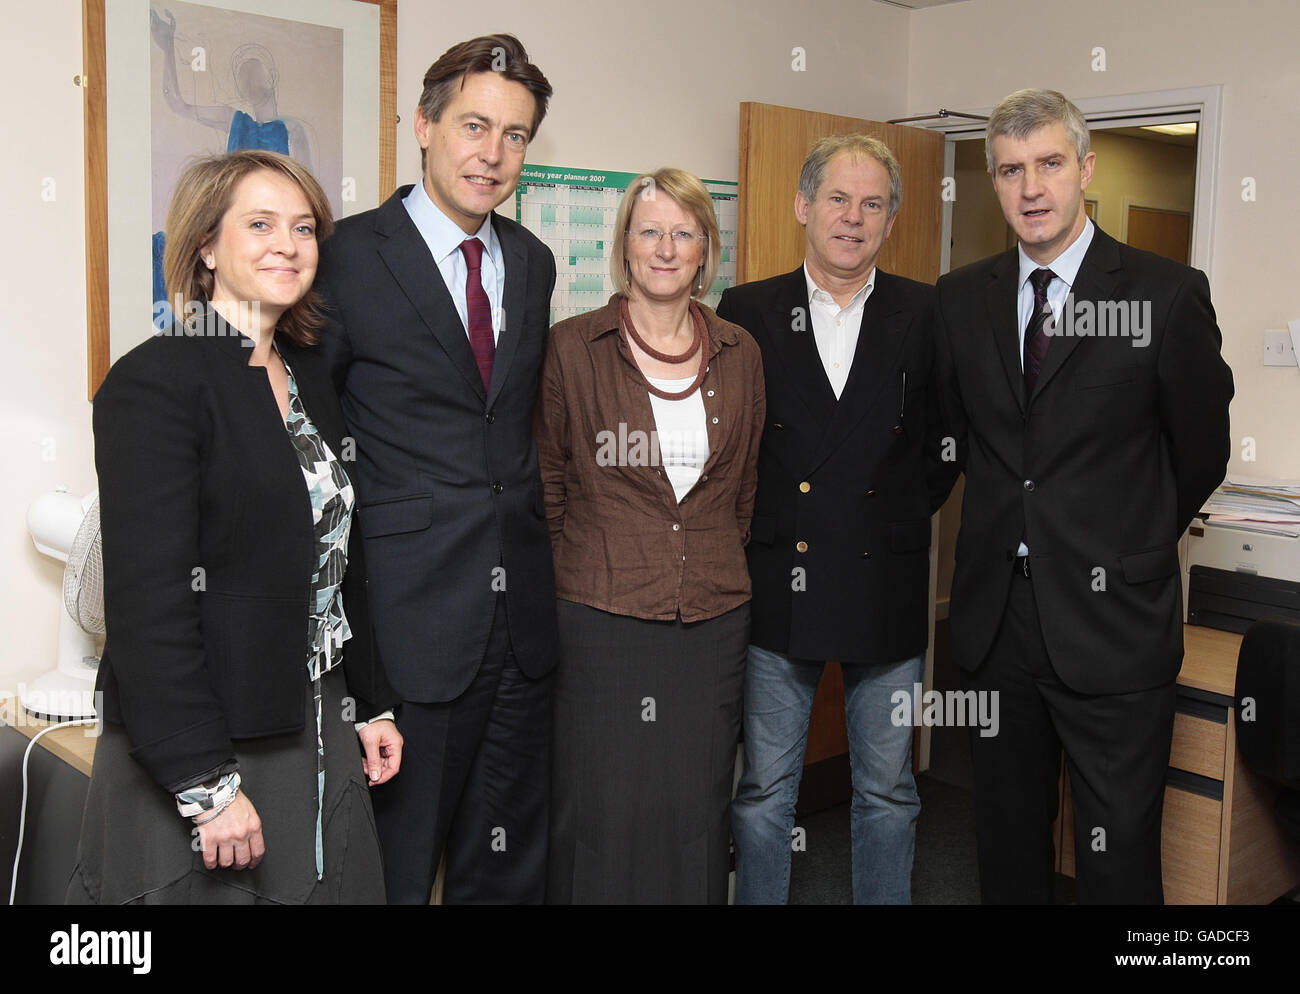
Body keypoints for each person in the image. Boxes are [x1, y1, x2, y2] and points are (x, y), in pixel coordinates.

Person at [68, 149, 403, 905]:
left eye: (304, 228)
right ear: (207, 248)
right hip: (207, 742)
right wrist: (206, 786)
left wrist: (369, 703)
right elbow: (148, 609)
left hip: (316, 717)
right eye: (260, 224)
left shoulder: (306, 372)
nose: (288, 244)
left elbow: (338, 558)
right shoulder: (156, 380)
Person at [932, 89, 1234, 903]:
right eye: (1010, 170)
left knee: (1118, 856)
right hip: (997, 622)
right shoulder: (960, 298)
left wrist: (1125, 544)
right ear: (995, 183)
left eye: (1049, 164)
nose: (1031, 188)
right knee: (1006, 843)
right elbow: (964, 439)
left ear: (1085, 168)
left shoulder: (1165, 294)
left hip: (1115, 622)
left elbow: (1201, 452)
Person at [314, 34, 558, 904]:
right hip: (408, 628)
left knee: (509, 869)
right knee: (395, 871)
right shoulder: (345, 258)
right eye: (473, 126)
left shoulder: (532, 263)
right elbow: (318, 450)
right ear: (423, 125)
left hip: (522, 628)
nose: (492, 154)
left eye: (515, 135)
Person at [719, 135, 955, 904]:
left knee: (887, 790)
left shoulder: (928, 311)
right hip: (778, 580)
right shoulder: (749, 309)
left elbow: (946, 445)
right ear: (803, 206)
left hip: (884, 579)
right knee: (763, 791)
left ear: (891, 219)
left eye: (872, 204)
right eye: (838, 199)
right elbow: (734, 445)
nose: (853, 218)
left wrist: (893, 517)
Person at [536, 168, 765, 904]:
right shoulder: (572, 347)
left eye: (683, 233)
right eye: (650, 231)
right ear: (625, 245)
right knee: (601, 807)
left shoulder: (741, 350)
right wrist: (588, 570)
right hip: (600, 620)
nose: (666, 249)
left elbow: (743, 491)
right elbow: (548, 488)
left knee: (696, 806)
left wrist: (699, 562)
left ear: (705, 249)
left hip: (712, 622)